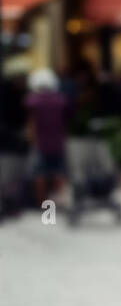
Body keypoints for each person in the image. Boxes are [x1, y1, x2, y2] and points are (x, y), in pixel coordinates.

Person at [23, 68, 70, 208]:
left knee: (40, 173)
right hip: (58, 142)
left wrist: (31, 139)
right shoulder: (60, 100)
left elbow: (32, 124)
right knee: (58, 172)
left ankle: (42, 203)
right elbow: (65, 121)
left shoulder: (33, 101)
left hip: (41, 142)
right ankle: (59, 200)